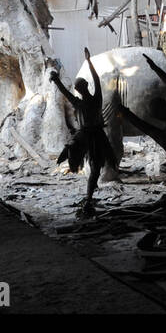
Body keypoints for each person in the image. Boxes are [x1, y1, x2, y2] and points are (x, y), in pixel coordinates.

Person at [49, 47, 117, 218]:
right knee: (79, 155)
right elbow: (69, 90)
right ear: (82, 88)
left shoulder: (88, 101)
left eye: (82, 85)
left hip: (93, 135)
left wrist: (89, 61)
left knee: (96, 166)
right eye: (82, 86)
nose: (82, 88)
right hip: (88, 134)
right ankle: (88, 193)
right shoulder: (88, 101)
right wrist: (88, 61)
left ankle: (89, 195)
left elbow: (92, 81)